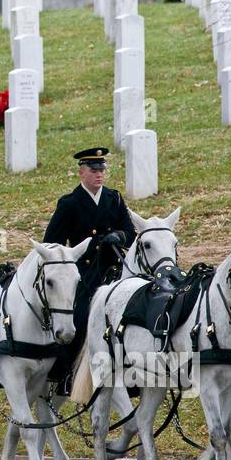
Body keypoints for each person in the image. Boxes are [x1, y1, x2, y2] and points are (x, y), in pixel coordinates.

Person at [43, 147, 136, 375]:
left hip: (113, 269)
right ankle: (67, 372)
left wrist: (120, 236)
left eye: (102, 169)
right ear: (81, 172)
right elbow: (51, 243)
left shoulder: (113, 198)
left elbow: (130, 233)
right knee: (80, 317)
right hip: (85, 274)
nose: (99, 175)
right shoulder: (69, 203)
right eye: (93, 170)